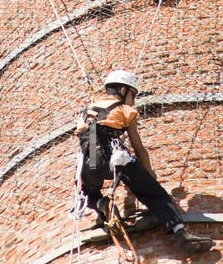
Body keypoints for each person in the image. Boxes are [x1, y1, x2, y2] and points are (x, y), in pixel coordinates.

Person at [76, 69, 213, 254]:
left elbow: (88, 140)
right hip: (115, 159)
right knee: (153, 193)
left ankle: (101, 204)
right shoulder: (126, 110)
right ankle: (181, 233)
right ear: (123, 91)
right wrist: (149, 173)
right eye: (133, 95)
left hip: (89, 162)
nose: (133, 100)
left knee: (86, 191)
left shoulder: (86, 113)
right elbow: (138, 146)